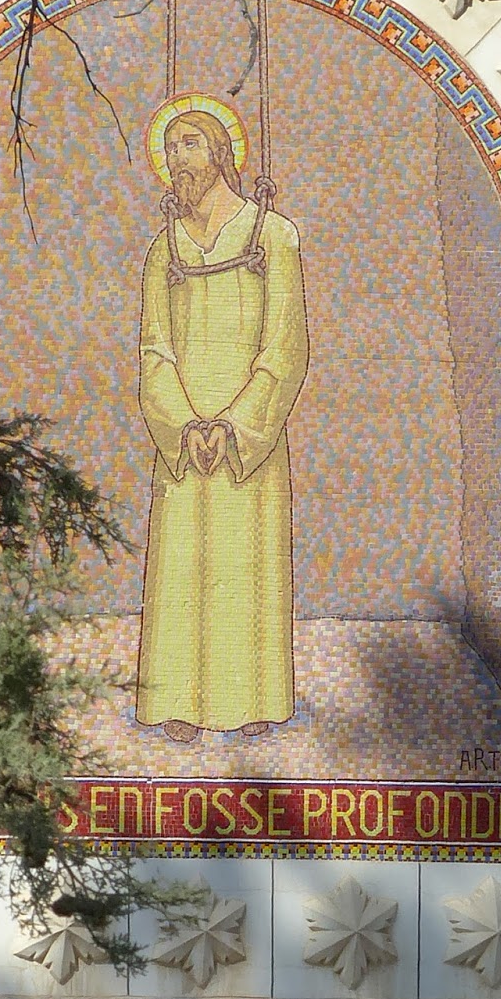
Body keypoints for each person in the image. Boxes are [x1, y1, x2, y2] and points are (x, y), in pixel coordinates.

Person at [135, 100, 310, 742]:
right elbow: (154, 346)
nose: (178, 162)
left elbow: (286, 341)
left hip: (246, 431)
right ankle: (175, 700)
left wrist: (238, 423)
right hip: (182, 430)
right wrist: (182, 423)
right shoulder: (164, 249)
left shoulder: (274, 236)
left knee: (246, 558)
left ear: (221, 152)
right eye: (172, 148)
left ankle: (250, 698)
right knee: (182, 562)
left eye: (191, 145)